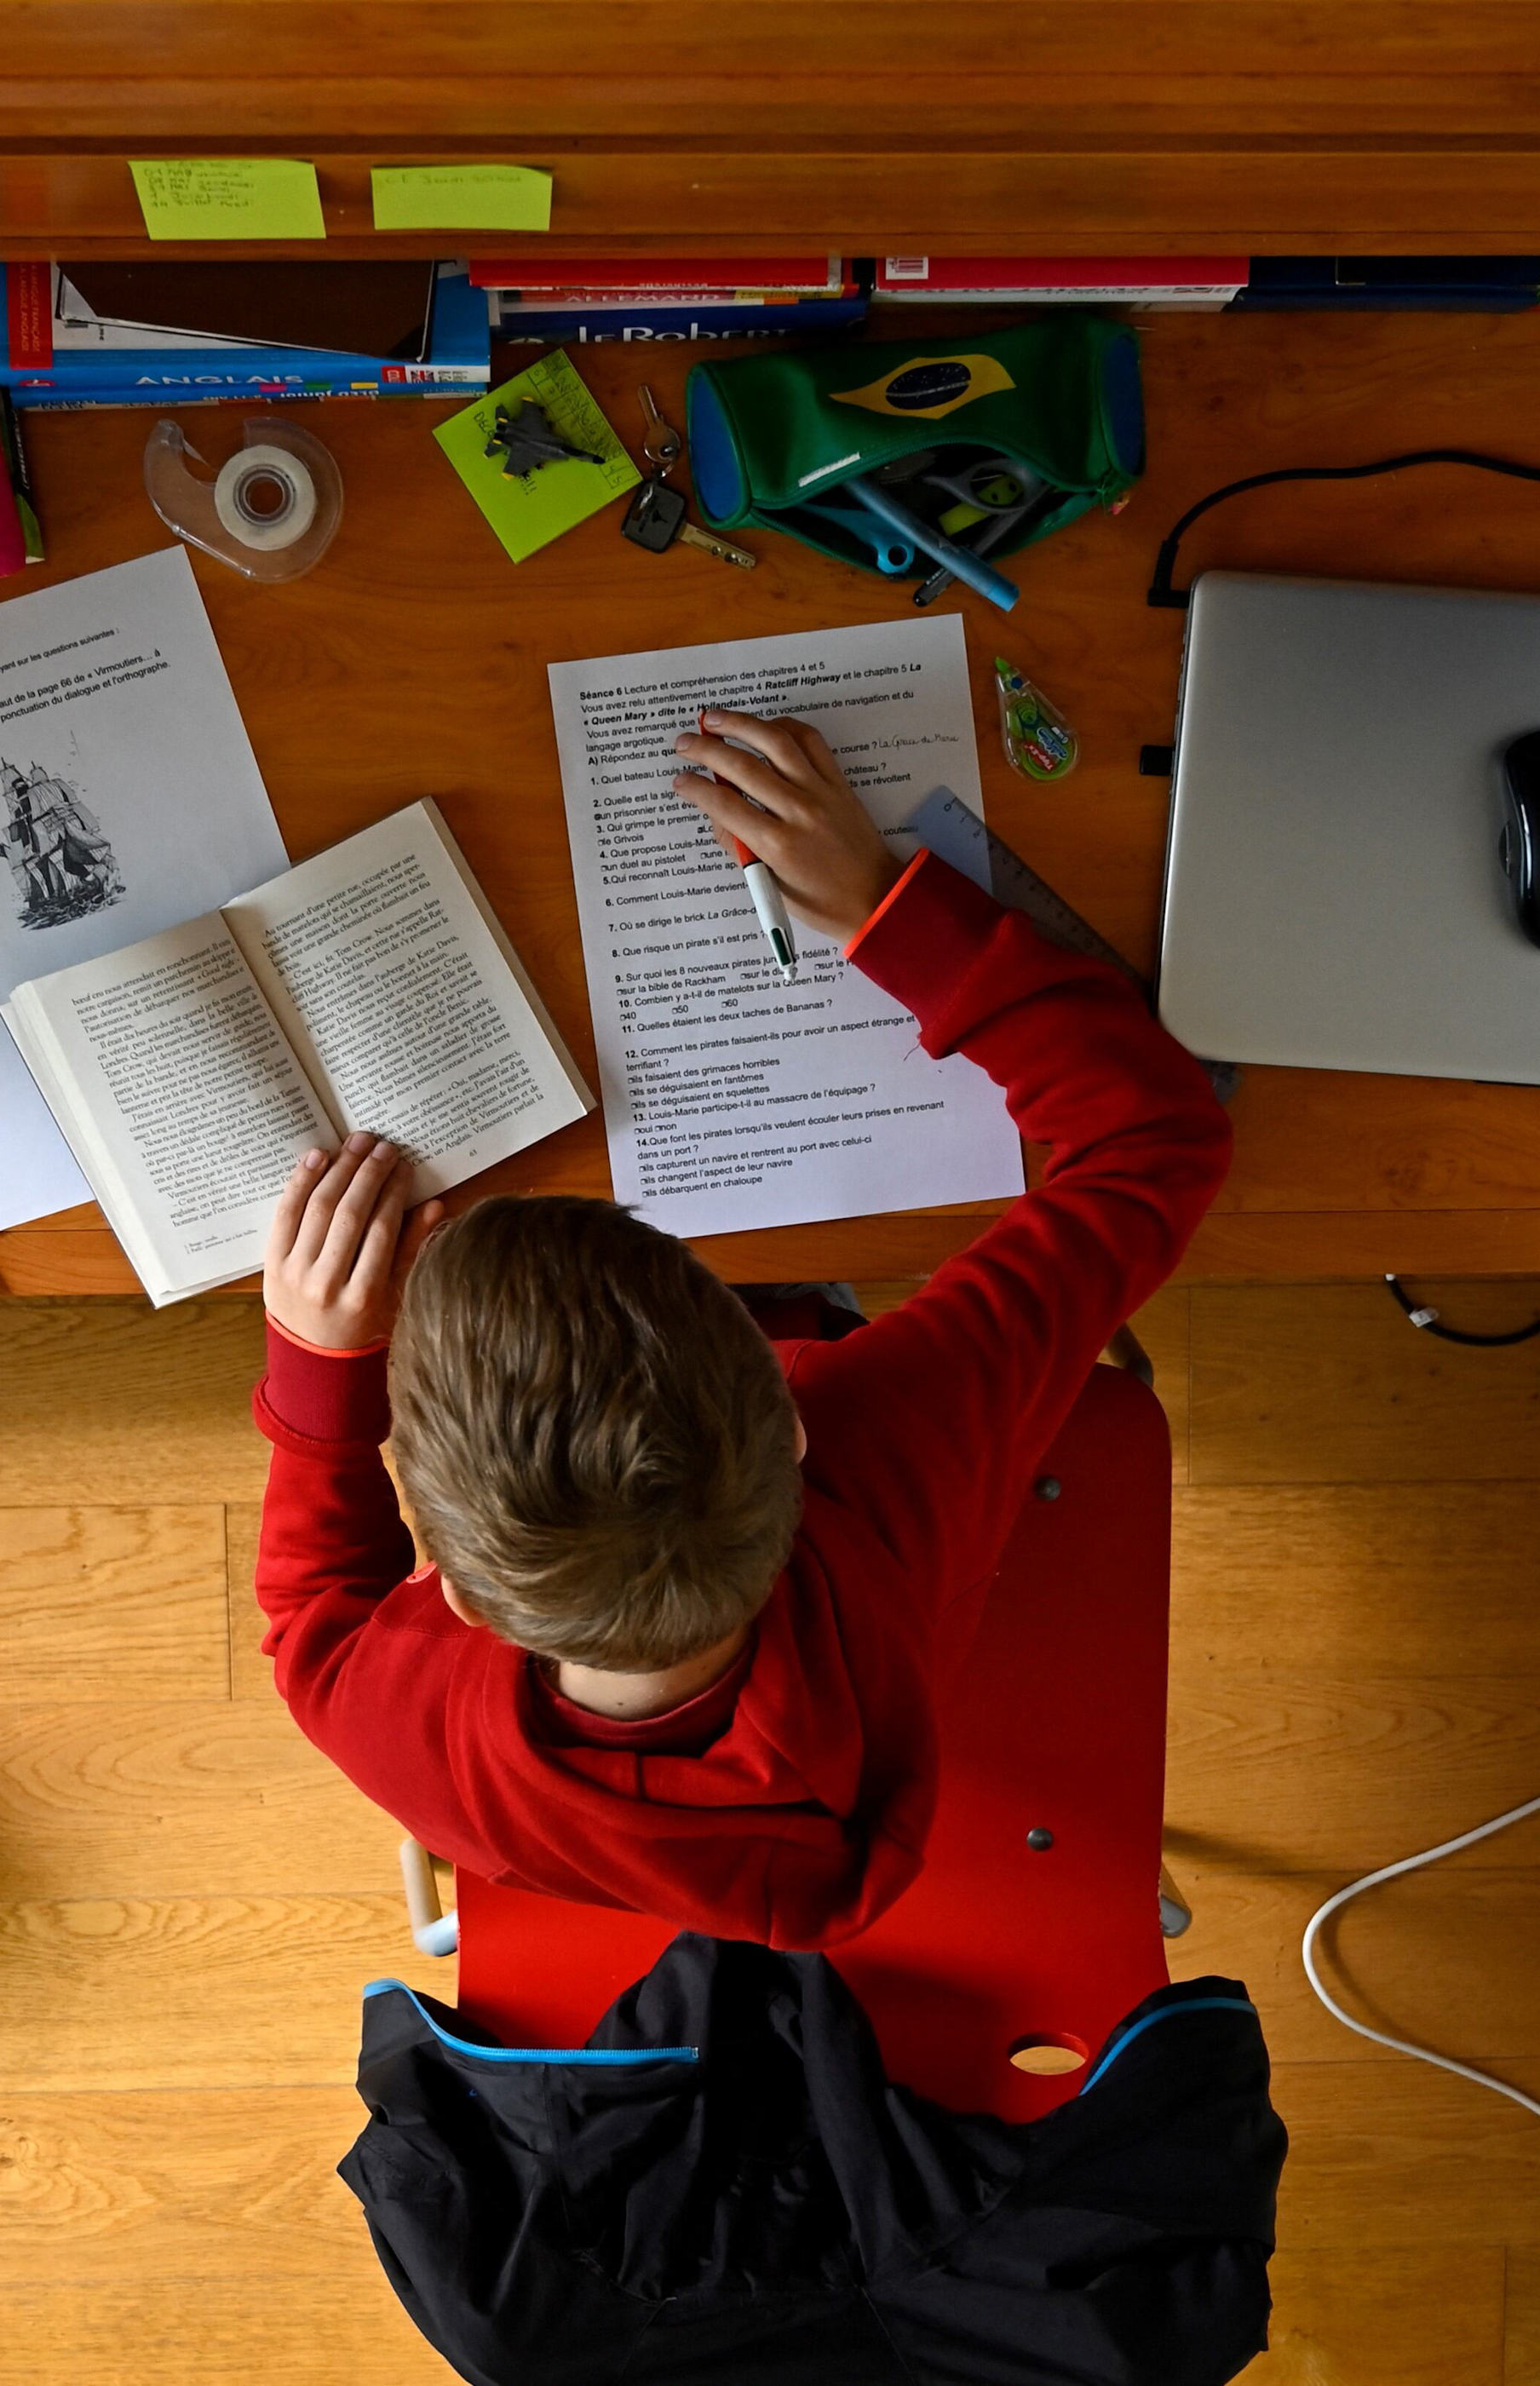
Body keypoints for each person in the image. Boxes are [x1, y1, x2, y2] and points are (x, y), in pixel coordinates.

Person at [249, 707, 1232, 1947]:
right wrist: (888, 911)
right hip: (887, 1673)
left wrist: (322, 1365)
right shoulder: (887, 1439)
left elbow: (313, 1616)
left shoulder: (399, 1726)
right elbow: (1157, 1136)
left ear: (470, 1601)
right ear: (790, 1415)